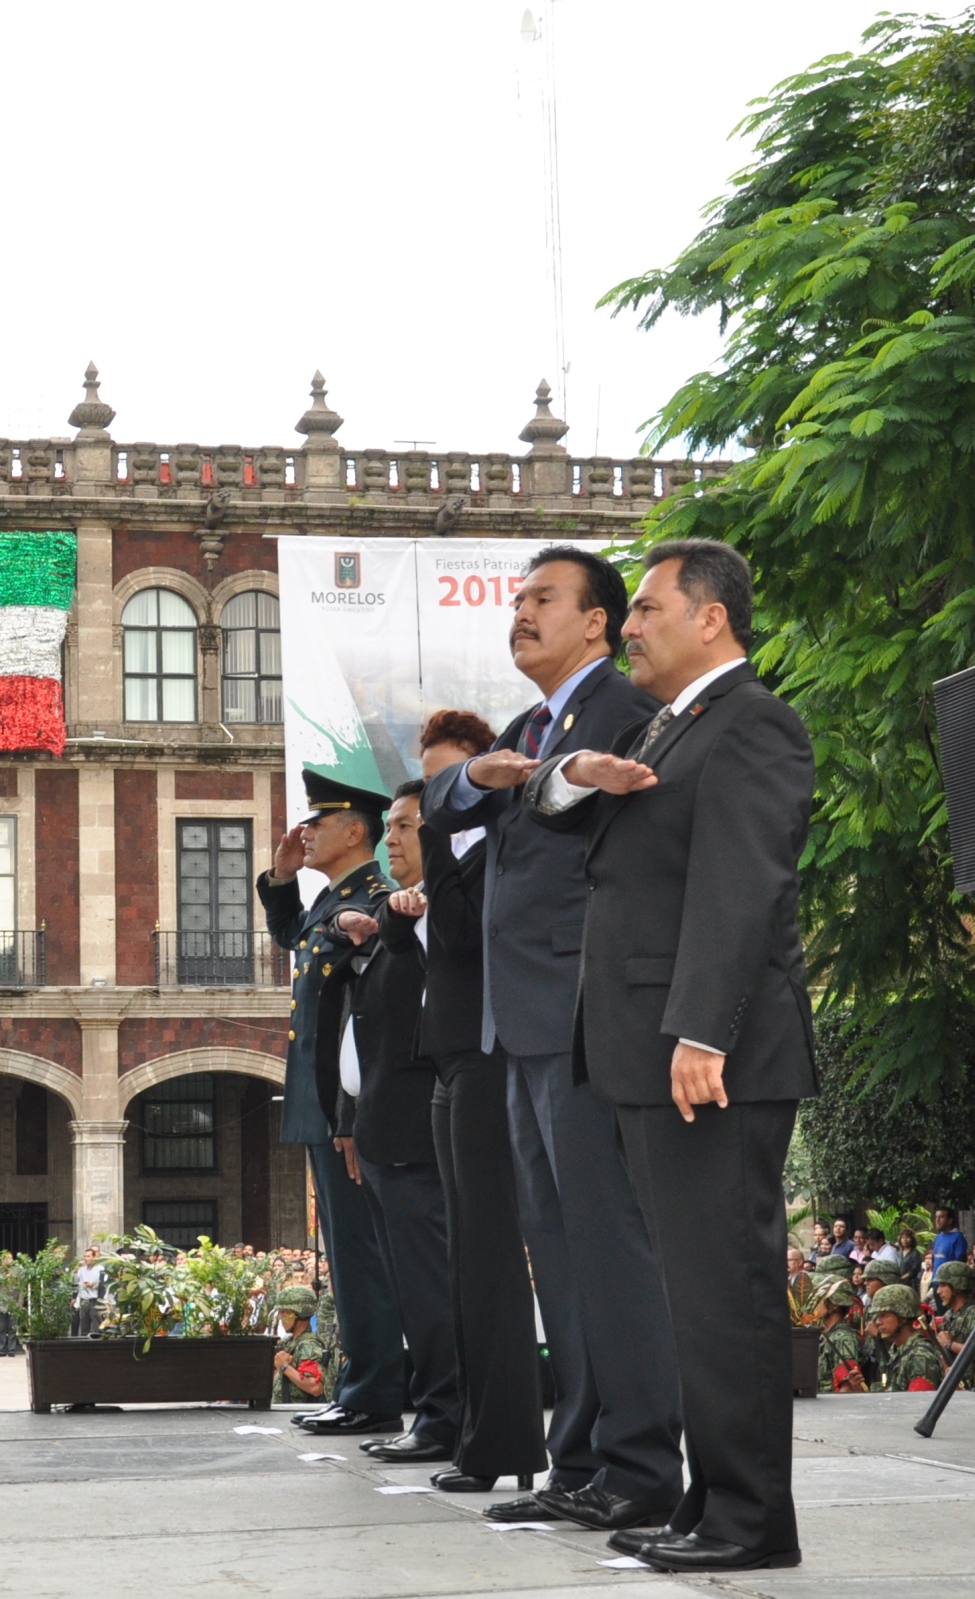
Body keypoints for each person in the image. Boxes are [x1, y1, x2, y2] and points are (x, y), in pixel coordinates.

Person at [521, 539, 816, 1573]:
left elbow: (742, 886)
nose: (630, 626)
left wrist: (702, 1029)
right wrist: (576, 769)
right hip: (647, 1052)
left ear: (710, 618)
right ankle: (709, 1502)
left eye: (646, 608)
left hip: (709, 1056)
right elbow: (546, 802)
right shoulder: (666, 724)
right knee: (694, 1296)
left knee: (727, 1292)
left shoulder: (752, 722)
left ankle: (749, 1520)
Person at [424, 544, 683, 1535]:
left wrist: (543, 775)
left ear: (596, 621)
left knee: (604, 1248)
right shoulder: (532, 724)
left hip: (580, 1016)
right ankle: (579, 1458)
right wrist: (478, 773)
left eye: (542, 598)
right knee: (561, 1254)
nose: (520, 614)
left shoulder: (615, 708)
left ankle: (641, 1463)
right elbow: (445, 800)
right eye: (516, 600)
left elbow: (582, 803)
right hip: (522, 1021)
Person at [391, 710, 546, 1493]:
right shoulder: (453, 857)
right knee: (466, 1260)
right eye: (431, 786)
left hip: (489, 1057)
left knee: (488, 1258)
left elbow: (458, 938)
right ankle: (477, 1437)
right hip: (449, 1057)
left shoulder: (492, 849)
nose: (438, 799)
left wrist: (437, 851)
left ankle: (503, 1443)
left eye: (450, 781)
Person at [258, 768, 409, 1440]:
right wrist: (281, 878)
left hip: (344, 1105)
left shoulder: (374, 901)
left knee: (360, 1254)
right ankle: (359, 1385)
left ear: (354, 832)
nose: (305, 832)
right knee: (344, 1256)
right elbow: (292, 935)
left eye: (317, 823)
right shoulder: (331, 900)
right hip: (321, 1103)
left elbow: (364, 1017)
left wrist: (352, 1114)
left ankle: (375, 1391)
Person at [342, 782, 461, 1466]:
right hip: (384, 1135)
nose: (390, 838)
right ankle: (436, 1411)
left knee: (432, 1292)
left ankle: (446, 1416)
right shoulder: (394, 918)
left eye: (405, 826)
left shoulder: (441, 917)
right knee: (414, 1294)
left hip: (420, 1140)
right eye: (388, 826)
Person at [865, 1285, 944, 1392]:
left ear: (903, 1316)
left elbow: (920, 1400)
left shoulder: (919, 1356)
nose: (878, 1322)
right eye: (878, 1316)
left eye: (884, 1315)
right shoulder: (897, 1349)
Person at [271, 1285, 330, 1406]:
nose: (280, 1317)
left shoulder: (309, 1345)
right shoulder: (290, 1341)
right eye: (280, 1311)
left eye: (285, 1311)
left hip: (295, 1413)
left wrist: (284, 1367)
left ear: (301, 1313)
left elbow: (315, 1387)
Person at [932, 1261, 975, 1379]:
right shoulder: (949, 1314)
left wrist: (950, 1344)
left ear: (957, 1286)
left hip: (970, 1384)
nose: (938, 1291)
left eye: (943, 1285)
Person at [814, 1283, 864, 1393]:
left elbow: (847, 1387)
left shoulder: (843, 1338)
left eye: (818, 1301)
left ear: (833, 1305)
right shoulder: (825, 1334)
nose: (813, 1306)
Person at [72, 1248, 106, 1337]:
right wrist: (74, 1297)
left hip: (94, 1301)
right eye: (85, 1256)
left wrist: (93, 1285)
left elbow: (103, 1285)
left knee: (97, 1326)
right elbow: (76, 1283)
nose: (86, 1258)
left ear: (94, 1257)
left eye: (88, 1256)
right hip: (84, 1301)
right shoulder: (81, 1270)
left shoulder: (100, 1269)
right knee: (84, 1326)